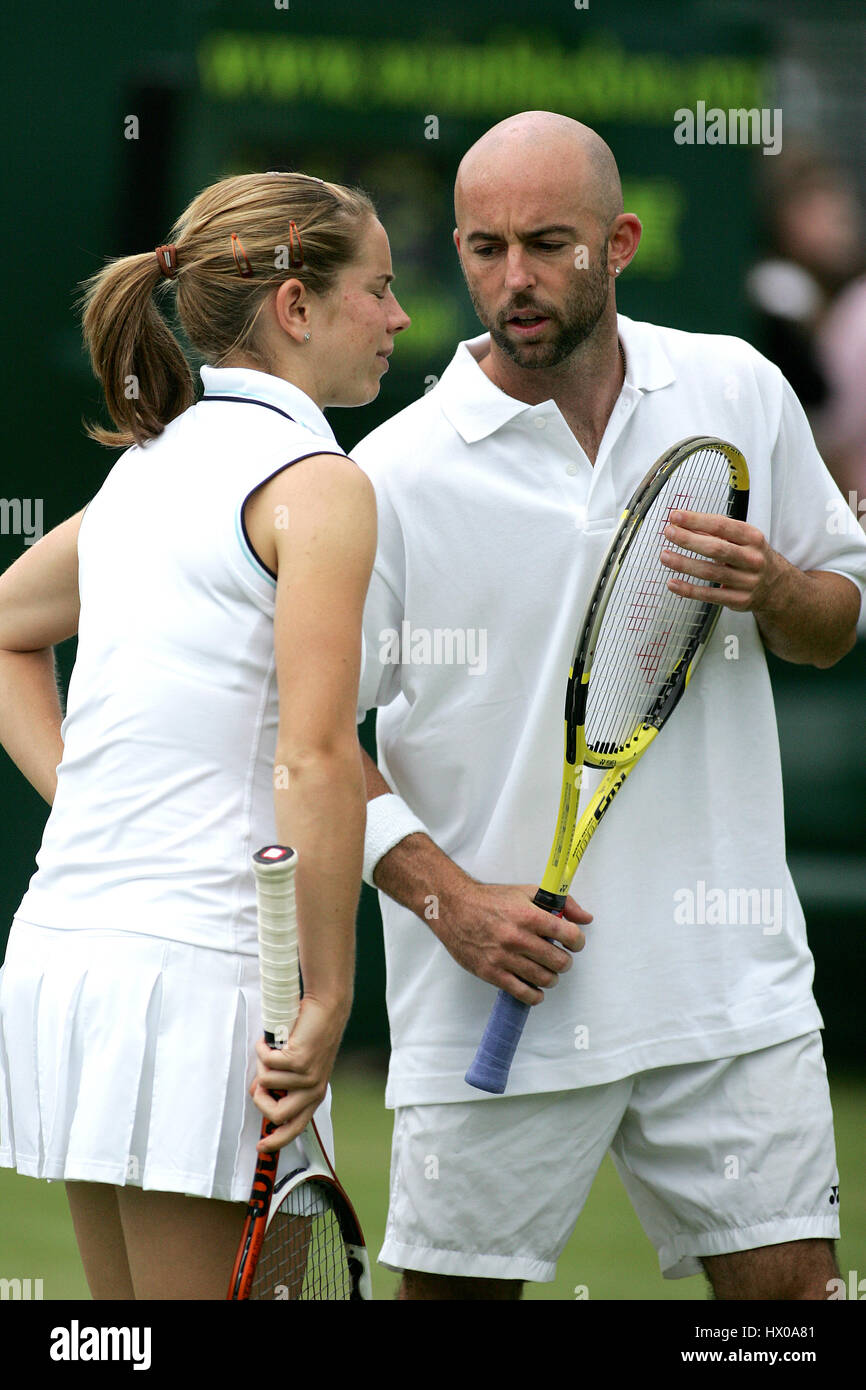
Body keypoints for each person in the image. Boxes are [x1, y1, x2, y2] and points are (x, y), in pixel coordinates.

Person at [352, 112, 866, 1301]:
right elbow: (308, 741)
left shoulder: (734, 384)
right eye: (483, 248)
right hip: (497, 993)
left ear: (619, 242)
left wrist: (779, 589)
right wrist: (453, 902)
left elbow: (835, 619)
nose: (512, 279)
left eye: (546, 243)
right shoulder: (390, 474)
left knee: (792, 1308)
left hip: (727, 986)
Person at [0, 171, 409, 1299]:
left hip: (68, 959)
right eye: (376, 288)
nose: (397, 317)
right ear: (295, 306)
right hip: (199, 982)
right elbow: (315, 757)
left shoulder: (139, 472)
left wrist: (87, 796)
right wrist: (328, 997)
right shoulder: (319, 484)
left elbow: (3, 627)